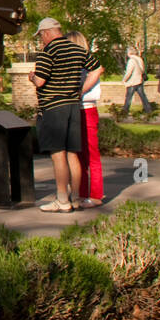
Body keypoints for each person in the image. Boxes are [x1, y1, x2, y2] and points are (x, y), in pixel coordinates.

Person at [30, 18, 100, 212]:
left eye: (41, 36)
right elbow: (96, 69)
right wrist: (81, 90)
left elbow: (40, 82)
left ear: (46, 33)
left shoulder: (48, 52)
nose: (41, 40)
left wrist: (32, 78)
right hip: (72, 106)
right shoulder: (77, 50)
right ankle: (76, 197)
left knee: (58, 154)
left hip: (53, 108)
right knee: (72, 154)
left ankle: (62, 199)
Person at [67, 31, 105, 206]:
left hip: (87, 109)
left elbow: (93, 89)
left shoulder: (89, 64)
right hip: (76, 110)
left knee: (91, 154)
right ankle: (81, 193)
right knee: (78, 154)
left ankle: (96, 195)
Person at [121, 46, 153, 116]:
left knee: (128, 97)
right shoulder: (140, 59)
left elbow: (129, 72)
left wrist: (124, 80)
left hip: (133, 81)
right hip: (139, 80)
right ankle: (148, 110)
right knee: (143, 96)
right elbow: (143, 70)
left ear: (129, 53)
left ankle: (125, 111)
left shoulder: (131, 61)